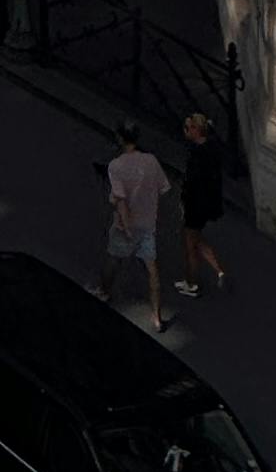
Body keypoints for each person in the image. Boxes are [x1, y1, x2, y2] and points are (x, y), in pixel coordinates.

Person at [98, 123, 169, 333]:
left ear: (121, 139)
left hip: (125, 225)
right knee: (152, 269)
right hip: (147, 223)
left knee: (114, 258)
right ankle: (156, 316)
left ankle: (104, 292)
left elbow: (118, 200)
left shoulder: (117, 166)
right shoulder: (151, 161)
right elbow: (162, 188)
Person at [175, 110, 229, 297]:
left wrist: (184, 203)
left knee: (191, 244)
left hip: (195, 206)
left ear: (196, 130)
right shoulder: (211, 149)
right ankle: (219, 270)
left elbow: (192, 184)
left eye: (188, 128)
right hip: (207, 205)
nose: (185, 131)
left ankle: (192, 283)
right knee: (196, 238)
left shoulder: (197, 156)